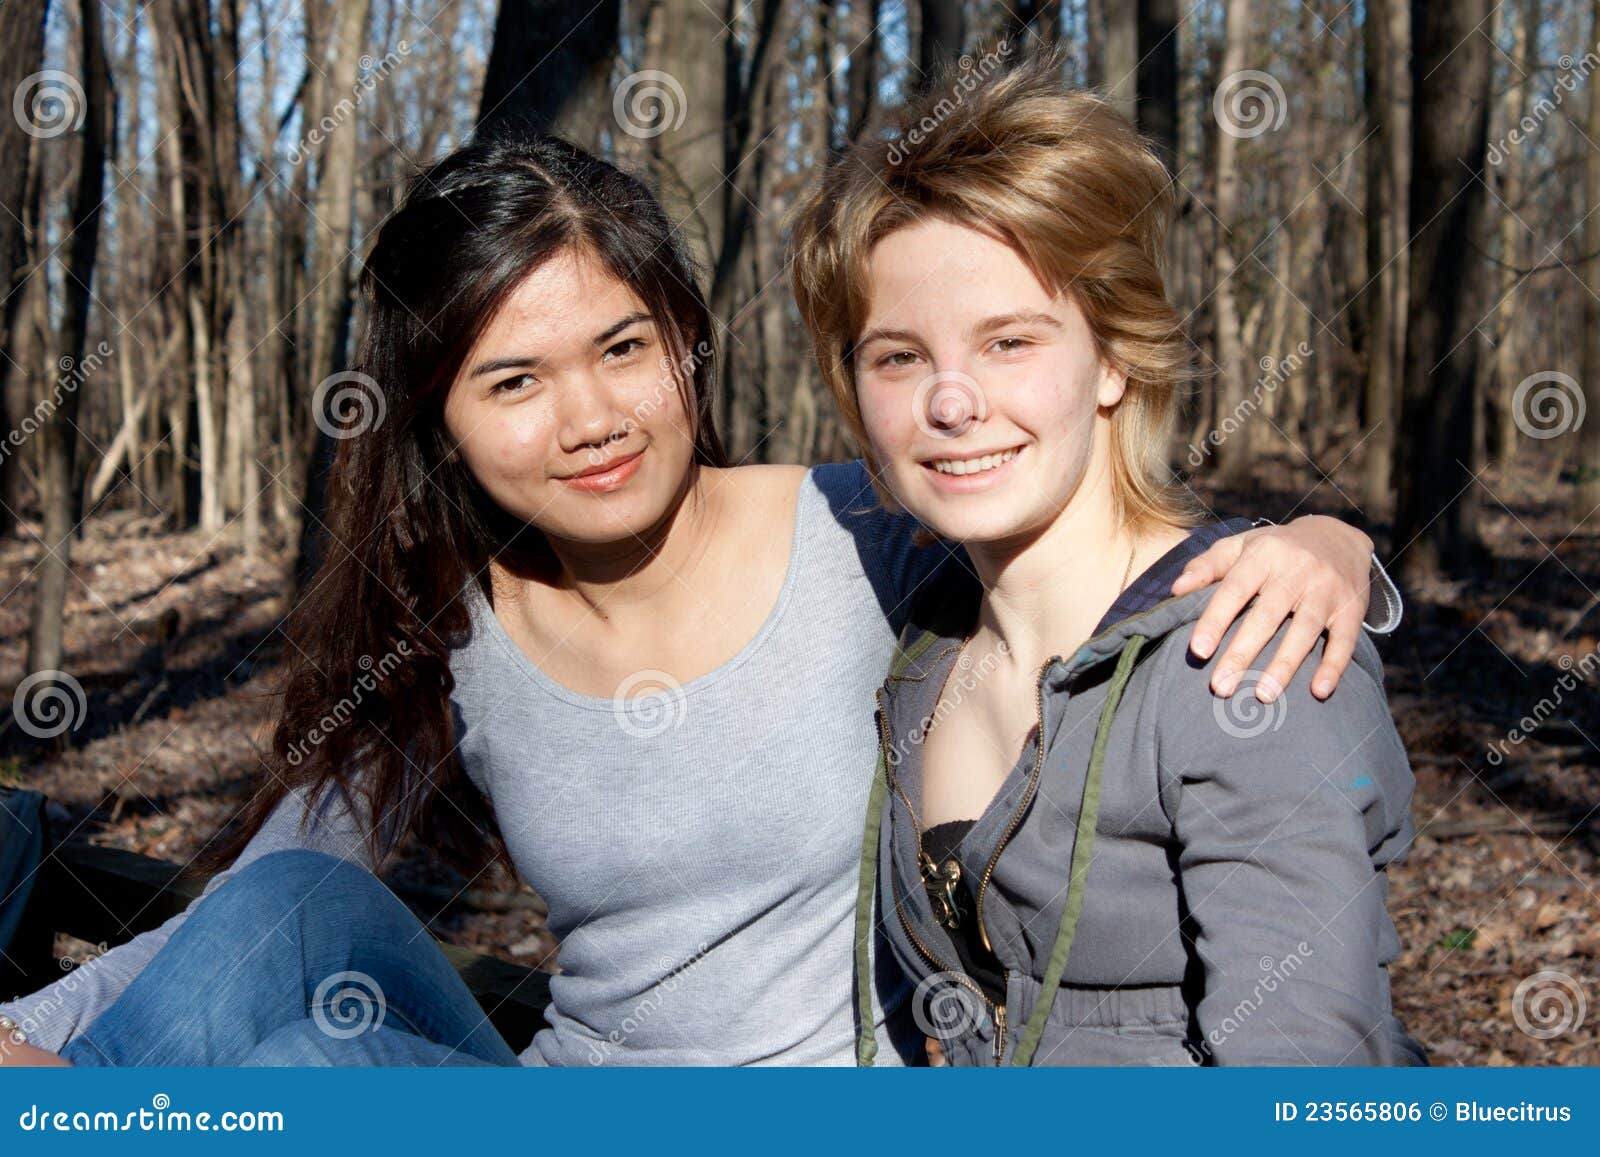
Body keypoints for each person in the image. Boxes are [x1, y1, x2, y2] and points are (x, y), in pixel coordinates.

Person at [0, 128, 1397, 1068]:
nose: (590, 419)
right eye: (513, 381)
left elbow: (1086, 542)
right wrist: (41, 1034)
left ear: (687, 337)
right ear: (444, 424)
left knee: (300, 1072)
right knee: (295, 909)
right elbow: (250, 917)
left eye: (623, 347)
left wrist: (1332, 544)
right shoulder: (452, 635)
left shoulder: (864, 533)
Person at [786, 52, 1426, 1066]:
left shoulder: (1242, 651)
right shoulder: (919, 642)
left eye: (1008, 342)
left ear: (1114, 357)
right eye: (898, 355)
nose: (950, 402)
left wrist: (1330, 543)